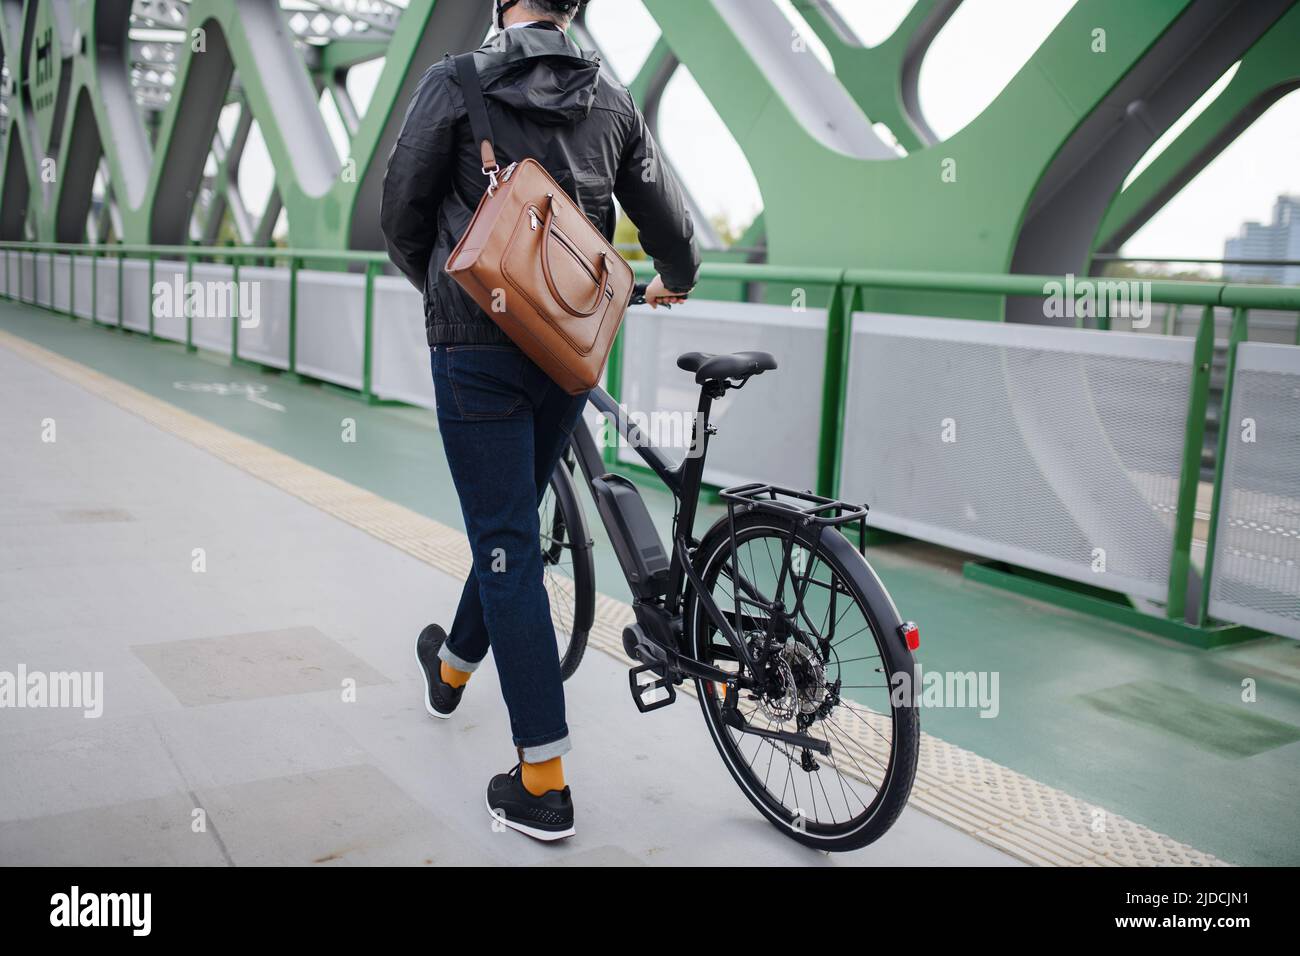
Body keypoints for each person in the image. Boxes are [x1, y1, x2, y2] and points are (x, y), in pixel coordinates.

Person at [379, 0, 700, 842]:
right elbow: (670, 226)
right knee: (510, 526)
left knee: (506, 541)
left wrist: (457, 293)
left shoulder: (455, 82)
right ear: (574, 8)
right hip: (567, 348)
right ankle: (452, 669)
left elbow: (401, 214)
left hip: (476, 348)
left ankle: (543, 784)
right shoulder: (612, 100)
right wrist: (675, 276)